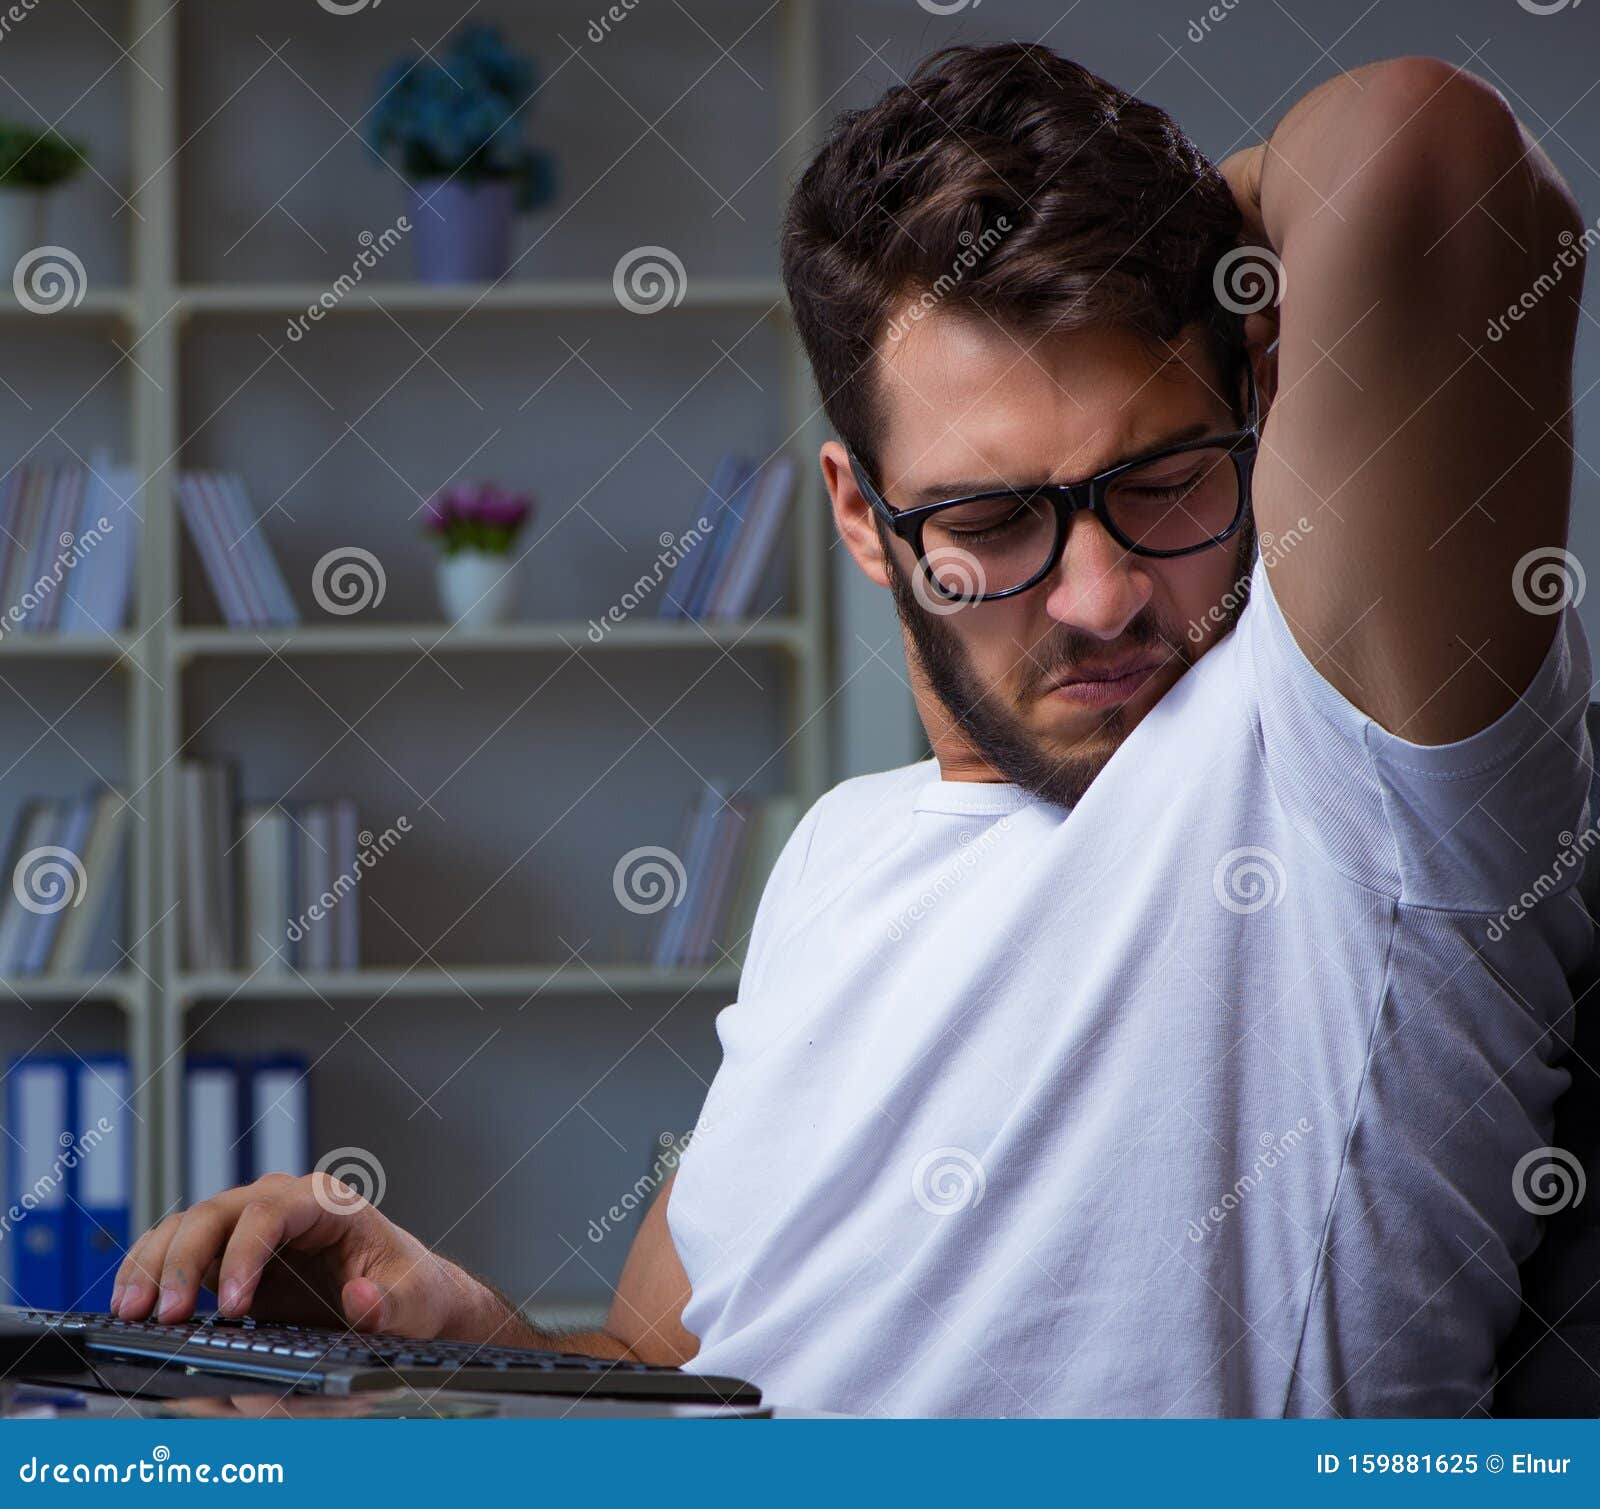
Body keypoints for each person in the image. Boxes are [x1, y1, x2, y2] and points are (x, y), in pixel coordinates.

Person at [115, 43, 1592, 1417]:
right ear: (860, 519)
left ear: (1258, 407)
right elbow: (661, 1372)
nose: (1100, 591)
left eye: (1163, 479)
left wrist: (1175, 230)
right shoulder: (840, 852)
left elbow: (1415, 153)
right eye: (993, 517)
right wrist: (445, 1328)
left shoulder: (1335, 741)